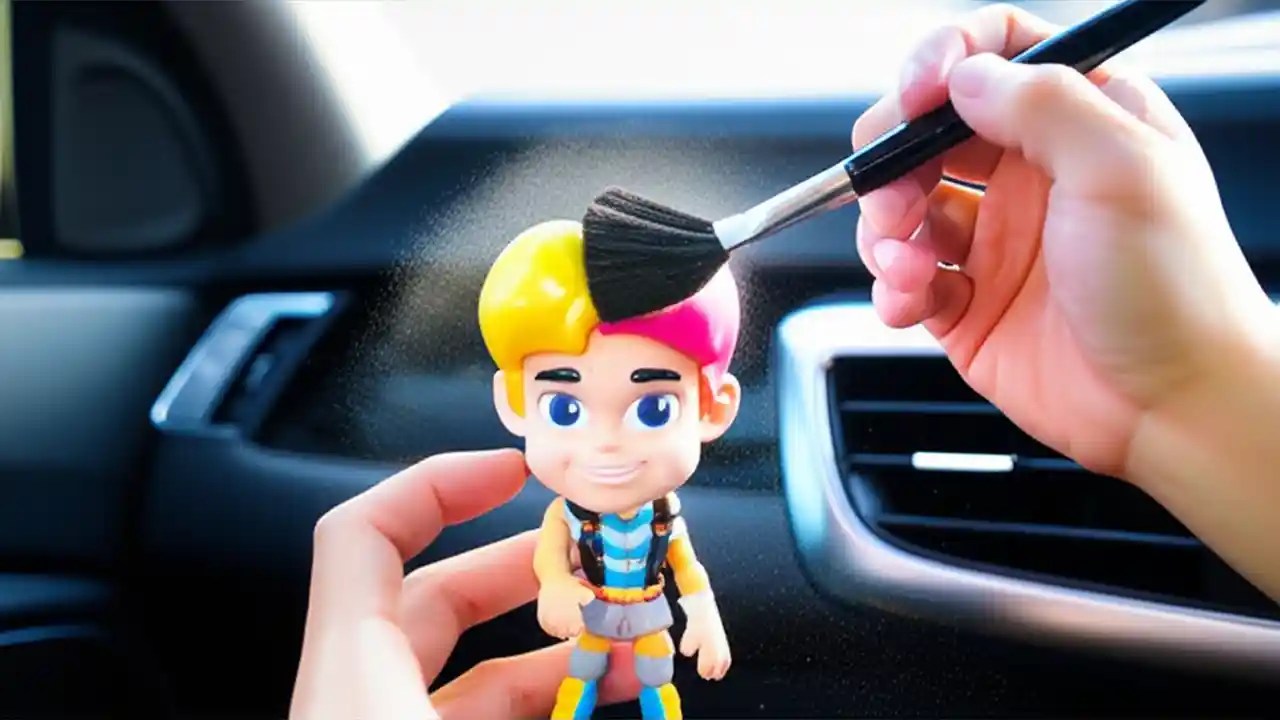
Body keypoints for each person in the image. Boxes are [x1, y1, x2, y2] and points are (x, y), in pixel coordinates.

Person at [289, 4, 1280, 719]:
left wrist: (1189, 397)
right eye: (561, 405)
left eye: (647, 404)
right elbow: (558, 560)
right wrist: (1189, 401)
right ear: (510, 402)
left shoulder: (661, 518)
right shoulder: (581, 523)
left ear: (715, 408)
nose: (600, 440)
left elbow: (681, 570)